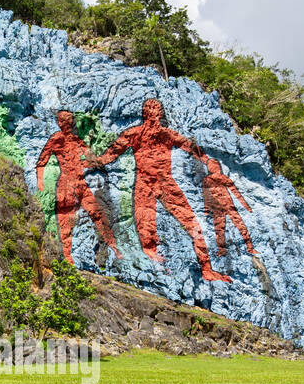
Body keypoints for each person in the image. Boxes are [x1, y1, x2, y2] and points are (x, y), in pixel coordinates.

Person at [89, 98, 231, 282]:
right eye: (149, 109)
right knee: (145, 223)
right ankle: (150, 258)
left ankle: (206, 269)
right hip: (144, 183)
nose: (153, 113)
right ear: (144, 113)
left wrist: (207, 159)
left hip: (165, 182)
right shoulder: (135, 134)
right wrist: (93, 162)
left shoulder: (167, 135)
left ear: (161, 113)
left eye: (156, 109)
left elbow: (190, 147)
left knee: (192, 223)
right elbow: (112, 153)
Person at [35, 110, 121, 262]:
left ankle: (113, 246)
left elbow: (92, 159)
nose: (68, 123)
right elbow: (42, 161)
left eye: (70, 120)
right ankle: (67, 257)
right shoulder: (56, 139)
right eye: (64, 120)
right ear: (60, 123)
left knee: (97, 214)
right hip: (66, 184)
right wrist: (40, 181)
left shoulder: (77, 140)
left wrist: (89, 161)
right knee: (65, 220)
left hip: (81, 183)